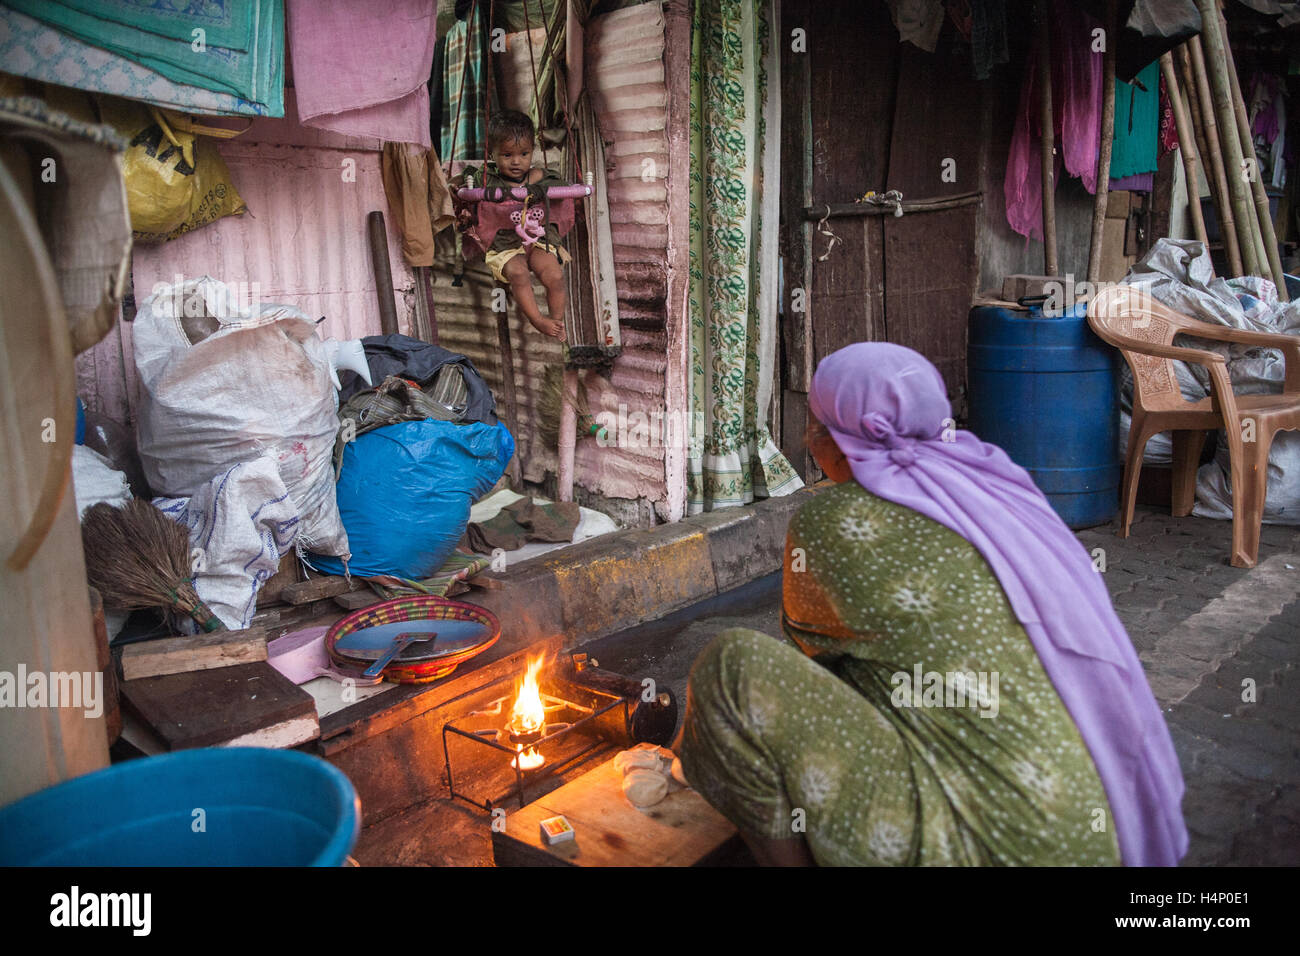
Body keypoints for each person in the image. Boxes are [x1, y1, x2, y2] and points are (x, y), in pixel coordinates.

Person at [676, 342, 1188, 866]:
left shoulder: (832, 523)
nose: (809, 439)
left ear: (840, 438)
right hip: (1097, 828)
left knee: (733, 670)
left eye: (816, 422)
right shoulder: (994, 484)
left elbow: (812, 656)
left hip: (995, 847)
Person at [456, 109, 569, 340]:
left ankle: (557, 322)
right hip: (502, 239)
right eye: (507, 155)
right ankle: (537, 320)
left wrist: (539, 187)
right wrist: (459, 185)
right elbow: (466, 181)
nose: (516, 161)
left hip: (537, 236)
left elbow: (561, 187)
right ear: (492, 153)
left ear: (532, 152)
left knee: (555, 276)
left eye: (524, 154)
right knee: (518, 274)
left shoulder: (542, 175)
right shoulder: (486, 177)